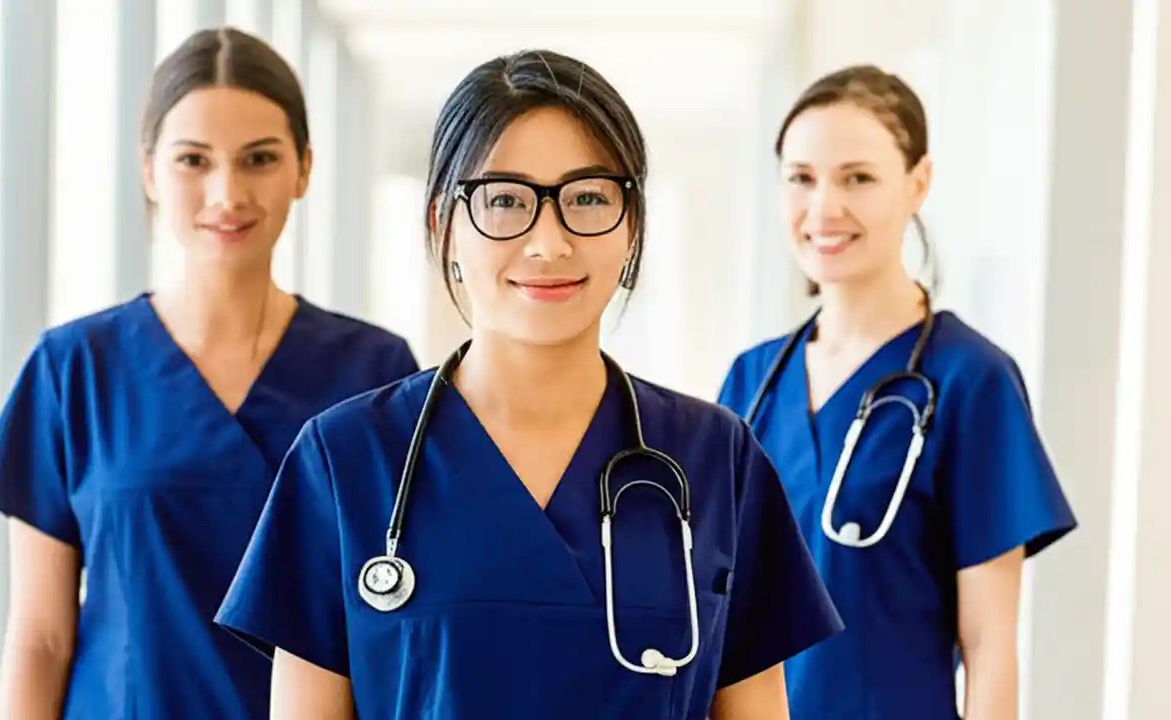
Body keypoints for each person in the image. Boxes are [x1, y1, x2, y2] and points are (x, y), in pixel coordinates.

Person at [213, 49, 844, 719]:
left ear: (631, 229)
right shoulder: (345, 460)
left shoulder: (716, 459)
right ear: (443, 226)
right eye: (506, 200)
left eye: (589, 197)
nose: (548, 242)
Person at [0, 27, 418, 719]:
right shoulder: (74, 369)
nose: (226, 192)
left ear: (304, 168)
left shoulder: (376, 374)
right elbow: (42, 636)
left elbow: (393, 624)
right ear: (149, 172)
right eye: (193, 160)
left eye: (258, 158)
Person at [716, 65, 1078, 720]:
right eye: (801, 177)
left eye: (858, 177)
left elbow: (990, 643)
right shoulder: (751, 382)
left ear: (918, 184)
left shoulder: (969, 381)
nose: (824, 207)